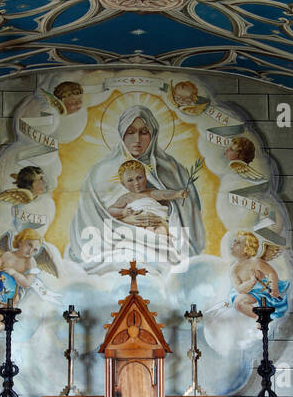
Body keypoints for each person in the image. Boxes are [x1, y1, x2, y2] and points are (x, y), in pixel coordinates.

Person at [68, 105, 205, 273]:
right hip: (114, 242)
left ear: (153, 134)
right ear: (121, 134)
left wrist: (163, 222)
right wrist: (126, 222)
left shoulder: (173, 170)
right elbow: (91, 219)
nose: (137, 140)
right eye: (130, 132)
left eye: (144, 132)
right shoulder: (100, 172)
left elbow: (187, 214)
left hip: (160, 237)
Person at [106, 158, 187, 234]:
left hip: (157, 222)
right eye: (130, 180)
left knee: (162, 233)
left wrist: (177, 194)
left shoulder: (150, 192)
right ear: (124, 184)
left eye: (139, 178)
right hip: (138, 225)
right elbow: (110, 210)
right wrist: (122, 212)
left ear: (145, 177)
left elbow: (163, 194)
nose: (136, 183)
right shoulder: (126, 198)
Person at [228, 231, 289, 321]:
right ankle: (259, 318)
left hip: (264, 290)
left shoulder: (255, 262)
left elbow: (271, 273)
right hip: (248, 292)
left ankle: (264, 317)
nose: (233, 244)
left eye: (238, 243)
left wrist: (274, 288)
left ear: (247, 248)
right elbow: (239, 289)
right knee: (238, 303)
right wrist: (252, 281)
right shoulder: (233, 269)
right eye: (234, 241)